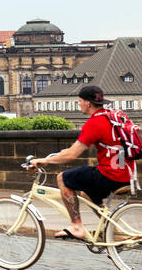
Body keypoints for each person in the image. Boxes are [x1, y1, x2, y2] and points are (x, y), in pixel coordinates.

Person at [30, 85, 133, 241]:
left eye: (79, 101)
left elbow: (72, 155)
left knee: (63, 178)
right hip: (128, 173)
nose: (79, 105)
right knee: (86, 192)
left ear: (88, 103)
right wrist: (59, 155)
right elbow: (74, 149)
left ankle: (76, 226)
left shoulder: (94, 123)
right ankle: (115, 230)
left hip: (110, 175)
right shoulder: (115, 116)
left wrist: (45, 160)